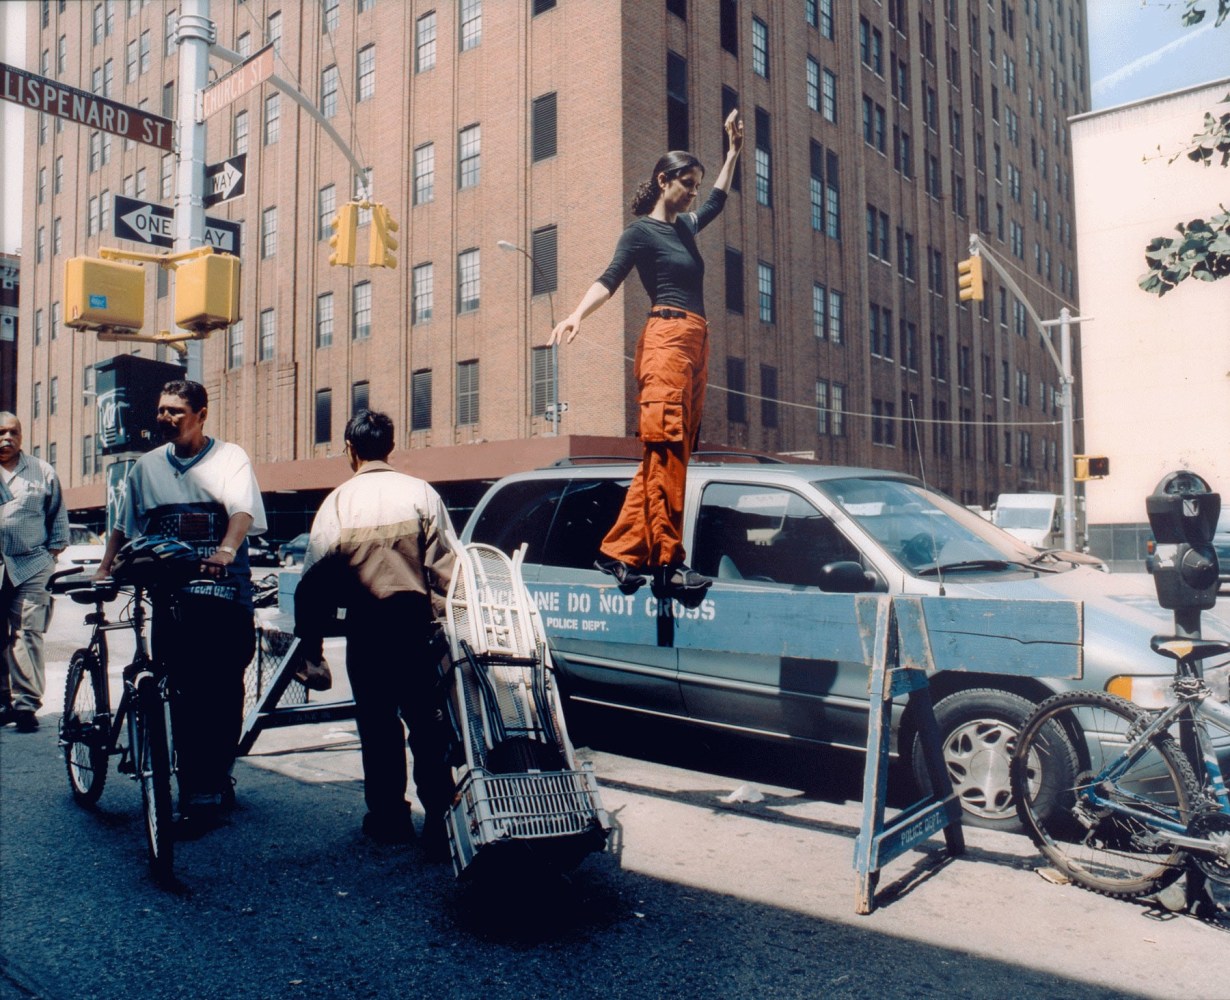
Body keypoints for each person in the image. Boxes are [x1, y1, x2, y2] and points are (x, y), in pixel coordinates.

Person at [549, 109, 744, 596]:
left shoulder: (682, 229)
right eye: (687, 184)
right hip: (666, 342)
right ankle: (668, 566)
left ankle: (616, 553)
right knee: (666, 450)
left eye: (697, 185)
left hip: (695, 342)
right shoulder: (640, 232)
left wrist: (734, 152)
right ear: (664, 180)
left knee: (671, 453)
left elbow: (718, 202)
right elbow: (609, 278)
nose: (694, 193)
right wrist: (576, 314)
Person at [95, 379, 267, 823]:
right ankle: (196, 789)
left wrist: (226, 551)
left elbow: (242, 511)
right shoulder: (146, 467)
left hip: (225, 593)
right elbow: (124, 523)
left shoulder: (231, 458)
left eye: (176, 410)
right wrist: (106, 567)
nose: (166, 418)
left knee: (225, 688)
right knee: (183, 689)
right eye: (161, 410)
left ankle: (216, 774)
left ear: (202, 414)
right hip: (173, 597)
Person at [295, 409, 457, 857]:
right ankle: (442, 822)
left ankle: (389, 819)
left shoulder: (339, 503)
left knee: (378, 727)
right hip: (418, 633)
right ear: (390, 446)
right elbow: (447, 572)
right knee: (429, 727)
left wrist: (311, 648)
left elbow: (314, 583)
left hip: (366, 633)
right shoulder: (421, 494)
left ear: (350, 449)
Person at [0, 412, 69, 733]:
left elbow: (57, 517)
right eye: (1, 433)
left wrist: (51, 554)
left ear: (22, 436)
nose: (7, 439)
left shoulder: (42, 471)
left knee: (27, 633)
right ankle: (4, 701)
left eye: (13, 432)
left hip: (31, 565)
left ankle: (26, 705)